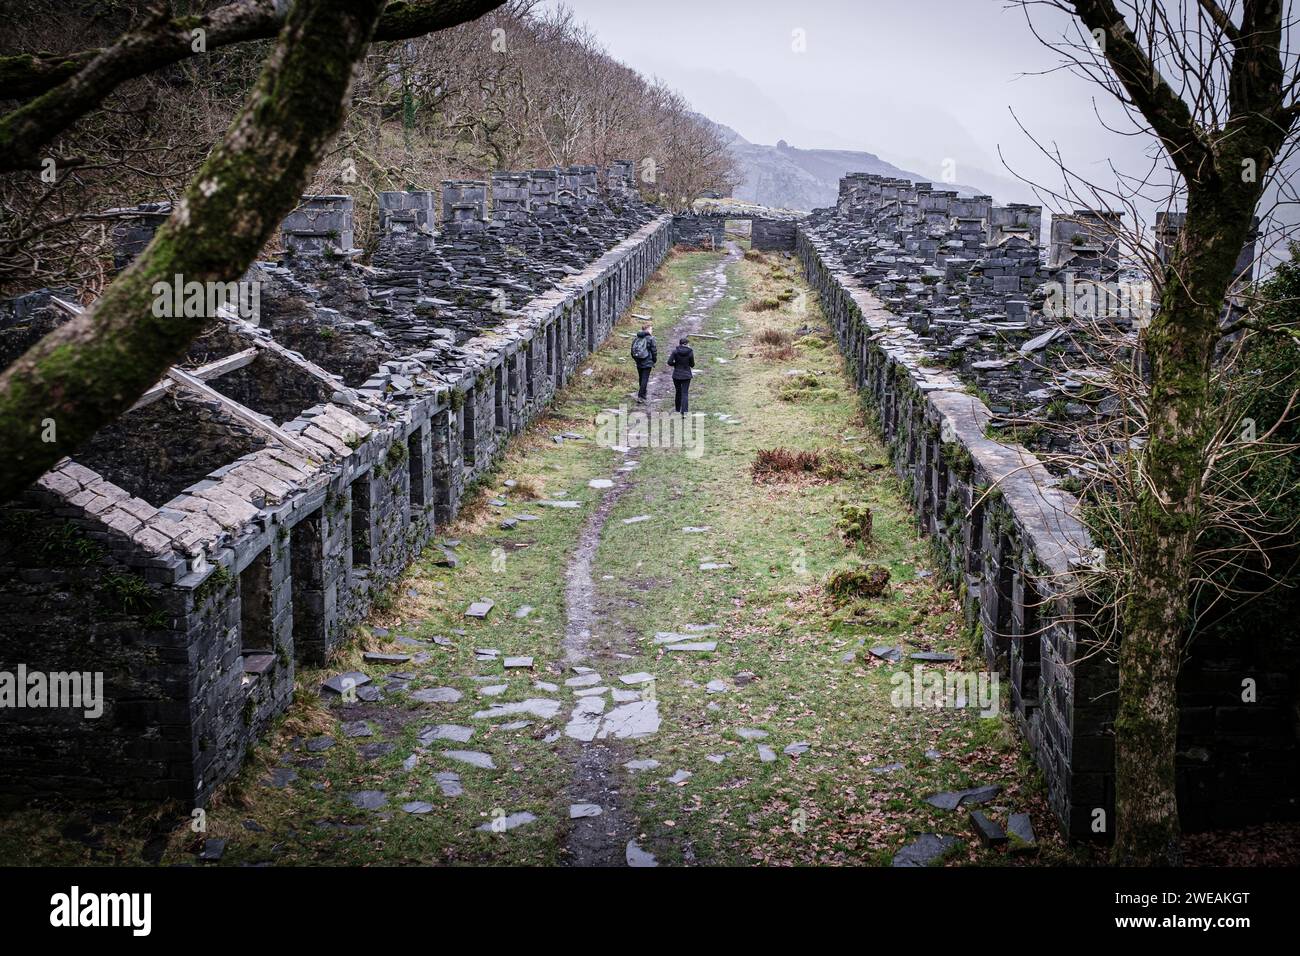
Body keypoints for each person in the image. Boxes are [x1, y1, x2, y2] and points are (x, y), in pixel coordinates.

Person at [667, 335, 695, 414]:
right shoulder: (690, 352)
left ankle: (677, 409)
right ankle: (685, 411)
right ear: (686, 344)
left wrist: (675, 364)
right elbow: (692, 364)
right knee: (685, 393)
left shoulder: (675, 351)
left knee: (678, 392)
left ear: (680, 344)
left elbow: (669, 362)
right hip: (686, 375)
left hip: (676, 375)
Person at [631, 324, 657, 402]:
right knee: (645, 378)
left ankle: (643, 394)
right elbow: (654, 351)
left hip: (639, 360)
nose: (651, 331)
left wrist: (635, 359)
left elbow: (632, 350)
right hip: (647, 360)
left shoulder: (636, 338)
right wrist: (654, 360)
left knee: (641, 378)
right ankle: (641, 396)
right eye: (651, 329)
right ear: (648, 329)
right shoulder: (651, 338)